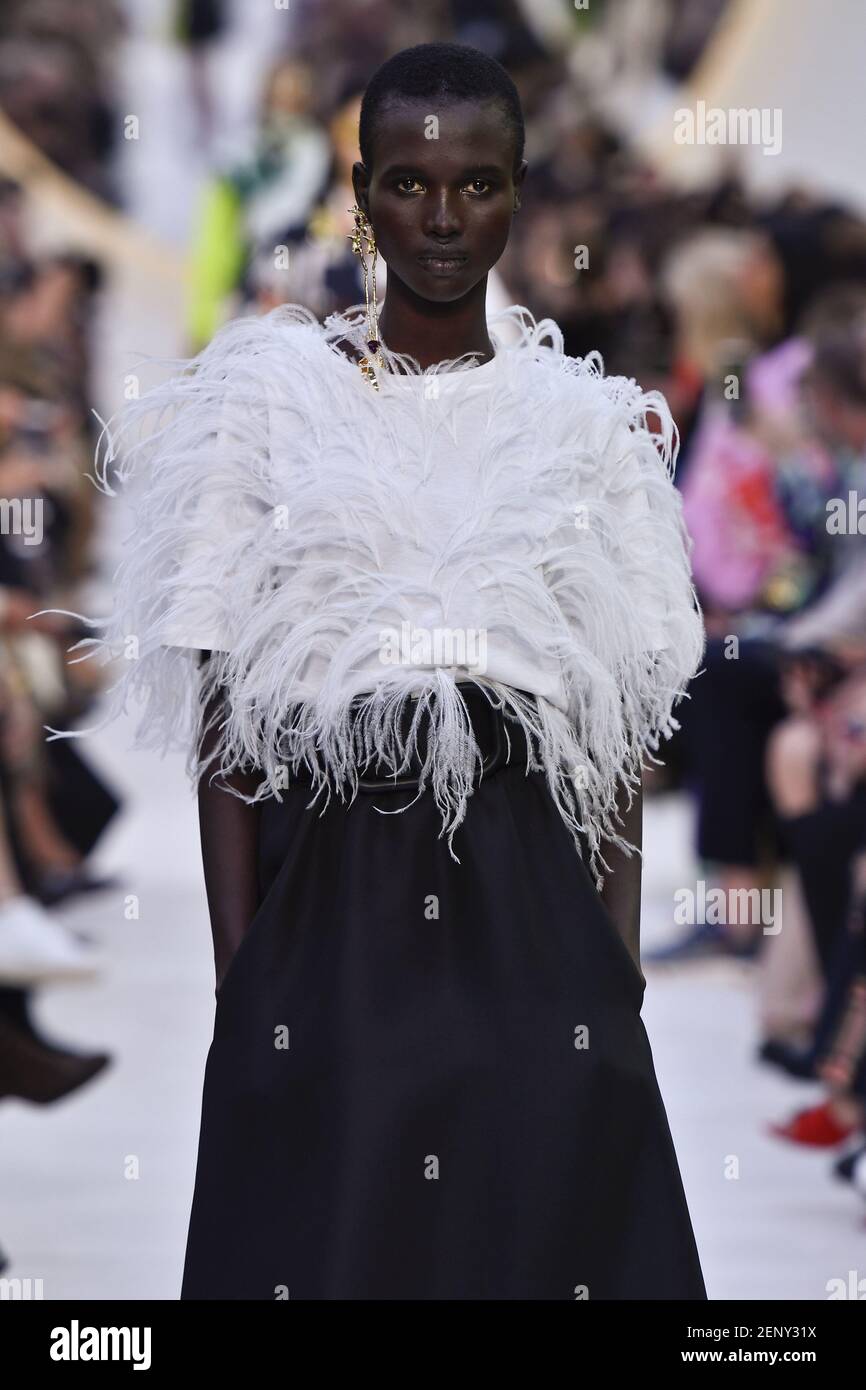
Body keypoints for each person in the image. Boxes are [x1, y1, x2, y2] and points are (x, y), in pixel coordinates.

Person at [49, 43, 707, 1300]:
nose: (443, 218)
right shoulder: (273, 411)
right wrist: (246, 983)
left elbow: (618, 727)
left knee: (538, 1239)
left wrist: (610, 972)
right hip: (331, 902)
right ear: (358, 190)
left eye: (476, 183)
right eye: (407, 182)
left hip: (529, 906)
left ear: (518, 190)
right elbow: (230, 724)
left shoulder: (585, 431)